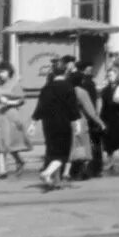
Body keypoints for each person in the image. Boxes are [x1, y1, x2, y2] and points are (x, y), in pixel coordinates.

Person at [31, 56, 81, 191]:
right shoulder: (68, 87)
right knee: (62, 154)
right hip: (63, 123)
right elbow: (73, 108)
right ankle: (47, 173)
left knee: (52, 151)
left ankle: (56, 181)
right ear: (65, 72)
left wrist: (33, 123)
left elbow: (40, 106)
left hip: (48, 124)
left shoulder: (46, 88)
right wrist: (77, 122)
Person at [0, 64, 31, 178]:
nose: (0, 74)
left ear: (9, 72)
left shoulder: (15, 84)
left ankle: (19, 161)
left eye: (3, 72)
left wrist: (9, 102)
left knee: (9, 143)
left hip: (11, 115)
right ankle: (2, 170)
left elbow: (21, 100)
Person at [70, 59, 104, 179]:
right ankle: (87, 171)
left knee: (74, 145)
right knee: (86, 146)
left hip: (70, 121)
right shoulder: (83, 88)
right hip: (82, 120)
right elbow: (90, 109)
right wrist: (100, 122)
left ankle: (71, 171)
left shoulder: (68, 88)